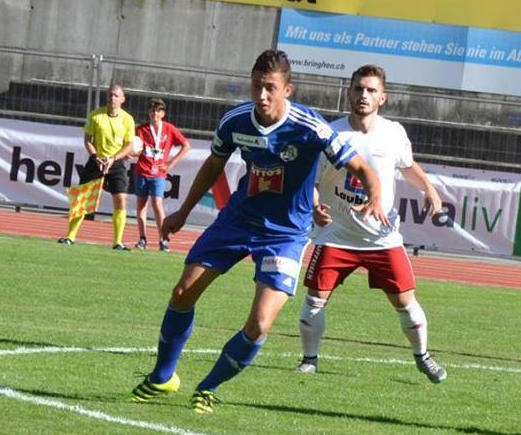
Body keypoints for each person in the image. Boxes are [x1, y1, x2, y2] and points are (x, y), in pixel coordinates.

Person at [130, 49, 387, 414]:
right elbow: (213, 164)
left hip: (286, 233)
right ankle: (162, 378)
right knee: (183, 292)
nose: (262, 96)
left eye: (270, 88)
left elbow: (362, 168)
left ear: (287, 90)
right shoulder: (236, 120)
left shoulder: (310, 126)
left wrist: (374, 197)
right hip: (239, 220)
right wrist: (183, 212)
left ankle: (208, 387)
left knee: (260, 322)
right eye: (256, 86)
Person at [297, 65, 448, 382]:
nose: (363, 95)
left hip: (382, 237)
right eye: (358, 89)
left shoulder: (394, 133)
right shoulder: (330, 133)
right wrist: (315, 208)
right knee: (313, 302)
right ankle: (309, 360)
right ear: (349, 93)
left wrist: (429, 188)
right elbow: (311, 180)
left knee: (405, 302)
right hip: (336, 235)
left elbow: (407, 166)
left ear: (382, 97)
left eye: (370, 90)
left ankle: (423, 356)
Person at [60, 84, 136, 250]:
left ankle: (117, 242)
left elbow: (129, 145)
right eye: (110, 95)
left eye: (116, 96)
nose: (112, 98)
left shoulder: (128, 119)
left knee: (121, 199)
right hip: (97, 161)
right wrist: (96, 157)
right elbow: (88, 140)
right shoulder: (96, 115)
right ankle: (70, 237)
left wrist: (113, 158)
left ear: (122, 99)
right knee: (82, 198)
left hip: (115, 163)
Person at [131, 99, 189, 251]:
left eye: (158, 111)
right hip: (142, 171)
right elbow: (134, 148)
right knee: (141, 205)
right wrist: (131, 153)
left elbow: (186, 145)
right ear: (148, 112)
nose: (154, 114)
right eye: (152, 110)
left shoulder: (169, 129)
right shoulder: (141, 129)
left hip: (158, 174)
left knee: (157, 204)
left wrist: (171, 164)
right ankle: (142, 238)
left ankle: (163, 239)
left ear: (163, 113)